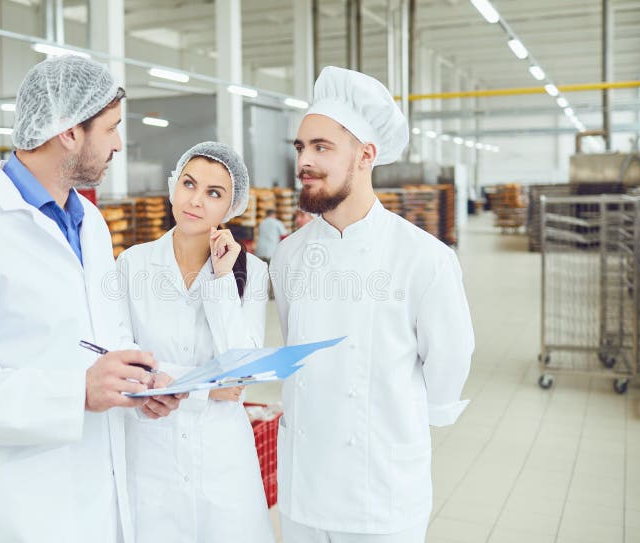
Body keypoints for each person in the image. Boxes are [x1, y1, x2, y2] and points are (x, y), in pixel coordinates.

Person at [0, 56, 183, 543]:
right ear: (69, 132)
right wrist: (76, 394)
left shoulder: (89, 225)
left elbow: (98, 340)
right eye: (112, 128)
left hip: (107, 494)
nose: (119, 143)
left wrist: (137, 386)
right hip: (27, 512)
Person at [270, 66, 474, 543]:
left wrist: (403, 422)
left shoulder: (423, 258)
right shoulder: (289, 255)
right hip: (303, 489)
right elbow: (295, 352)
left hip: (380, 491)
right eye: (301, 147)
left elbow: (450, 359)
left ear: (366, 155)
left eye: (322, 147)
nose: (305, 161)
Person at [117, 142, 275, 543]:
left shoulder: (248, 273)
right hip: (152, 457)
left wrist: (222, 282)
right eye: (189, 184)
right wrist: (207, 387)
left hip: (223, 463)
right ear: (173, 188)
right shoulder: (132, 265)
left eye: (214, 193)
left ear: (230, 207)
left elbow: (242, 374)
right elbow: (123, 364)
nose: (196, 200)